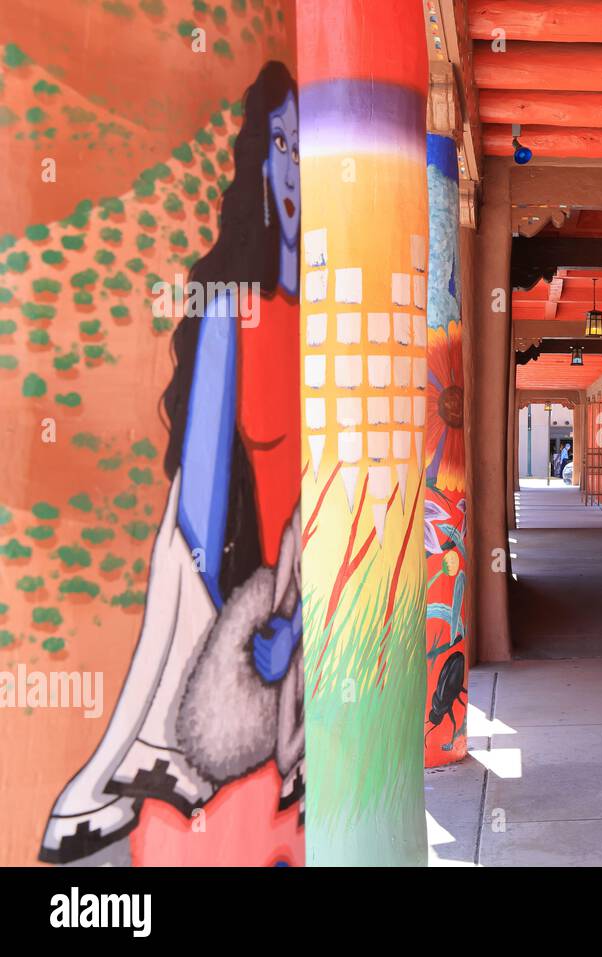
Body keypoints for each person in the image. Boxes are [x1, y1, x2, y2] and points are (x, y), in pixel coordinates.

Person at [39, 62, 303, 866]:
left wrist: (309, 618)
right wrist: (254, 624)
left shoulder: (335, 310)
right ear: (261, 161)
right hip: (235, 630)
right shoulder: (232, 308)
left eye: (305, 147)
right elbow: (195, 517)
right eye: (282, 144)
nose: (294, 167)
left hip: (304, 618)